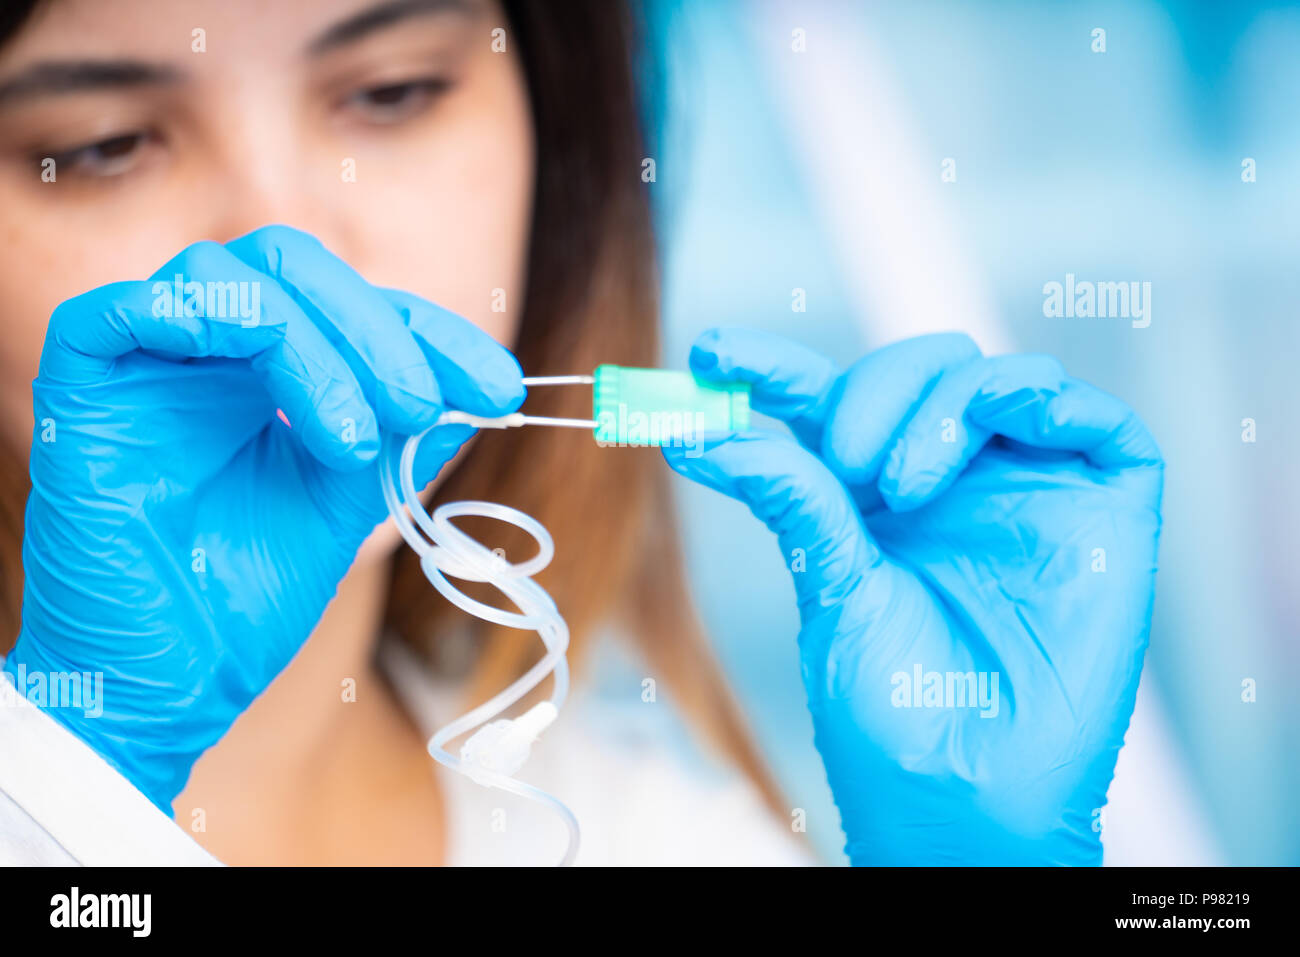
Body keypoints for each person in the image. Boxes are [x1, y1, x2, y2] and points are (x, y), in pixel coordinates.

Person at [0, 0, 1163, 866]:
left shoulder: (657, 842)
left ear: (559, 154)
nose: (288, 237)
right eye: (101, 143)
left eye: (394, 89)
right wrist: (67, 779)